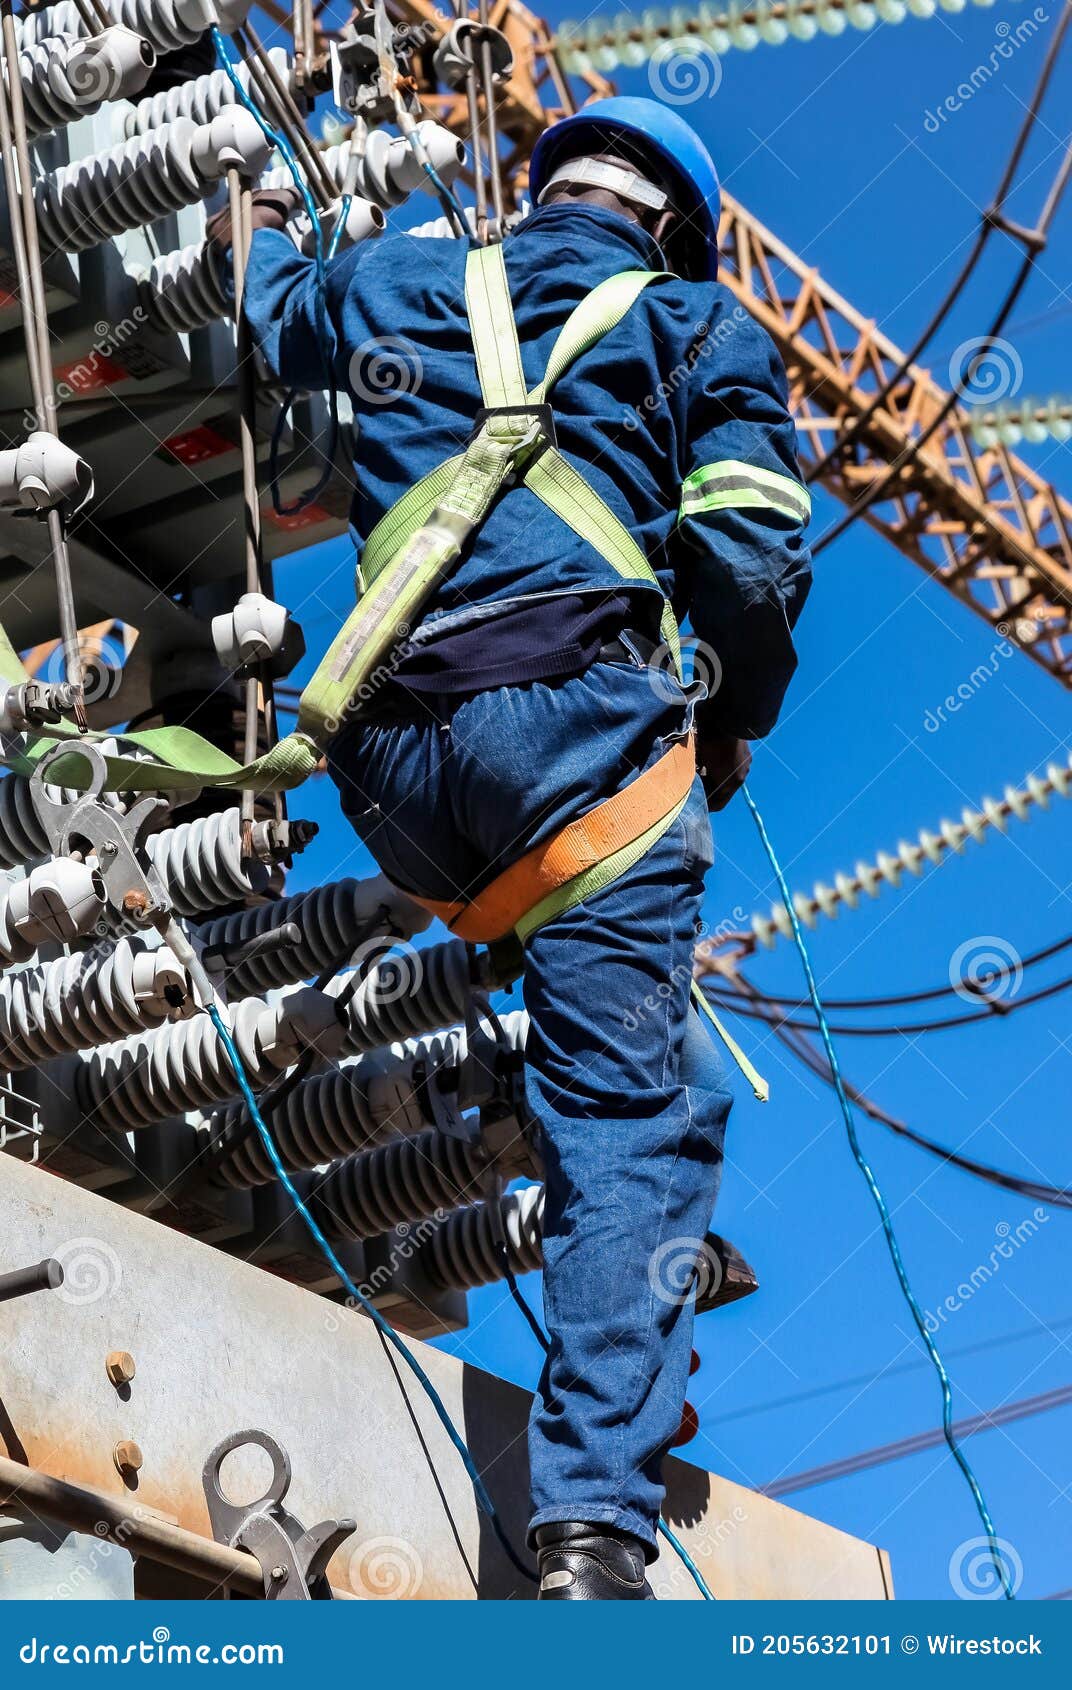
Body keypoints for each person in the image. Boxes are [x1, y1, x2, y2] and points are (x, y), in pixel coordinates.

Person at [208, 96, 811, 1599]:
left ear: (546, 189)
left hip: (399, 777)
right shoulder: (698, 323)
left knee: (604, 1070)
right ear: (675, 228)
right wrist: (727, 721)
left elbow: (266, 303)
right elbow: (746, 553)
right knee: (638, 1116)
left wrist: (263, 214)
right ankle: (595, 1527)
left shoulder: (402, 281)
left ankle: (601, 1310)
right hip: (579, 764)